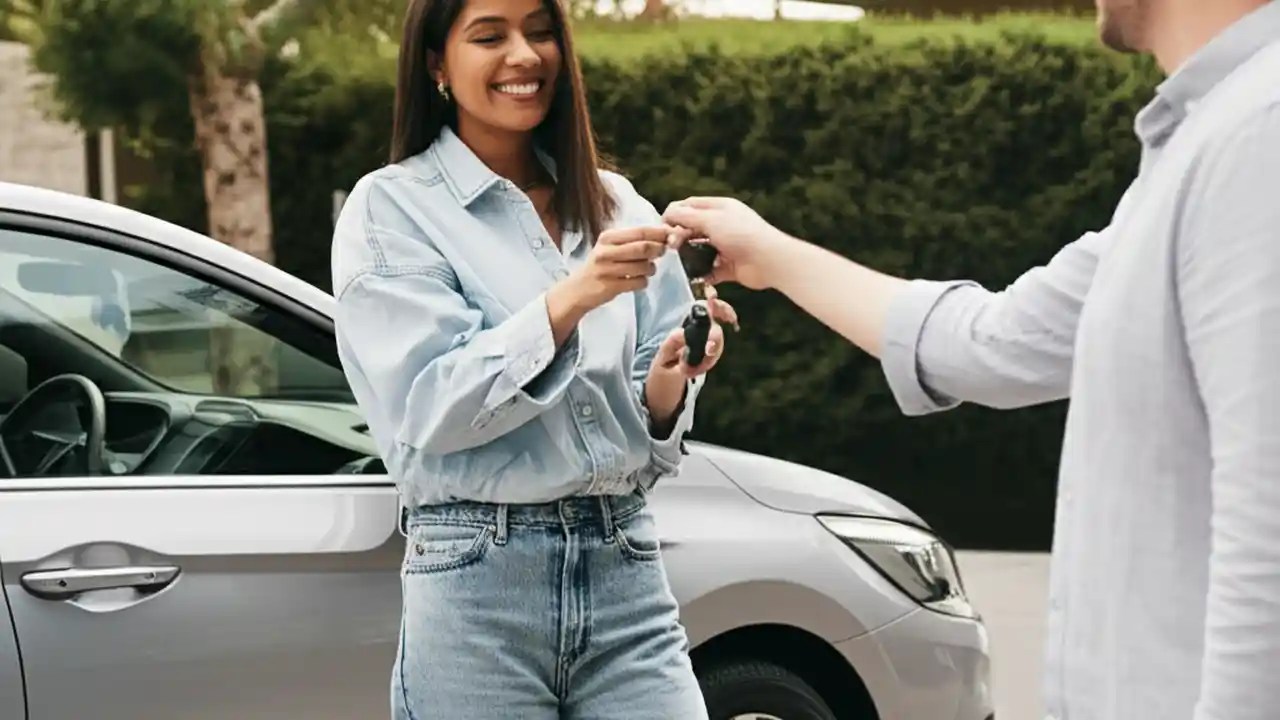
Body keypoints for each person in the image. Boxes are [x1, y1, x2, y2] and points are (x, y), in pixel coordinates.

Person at [663, 0, 1280, 718]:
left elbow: (1269, 548)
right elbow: (986, 344)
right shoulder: (1207, 147)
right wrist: (770, 255)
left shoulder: (1259, 138)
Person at [329, 0, 735, 718]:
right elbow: (429, 407)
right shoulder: (391, 210)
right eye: (490, 35)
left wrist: (669, 383)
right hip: (477, 583)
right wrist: (571, 299)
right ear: (436, 65)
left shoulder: (617, 205)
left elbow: (650, 421)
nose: (525, 55)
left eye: (541, 31)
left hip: (625, 570)